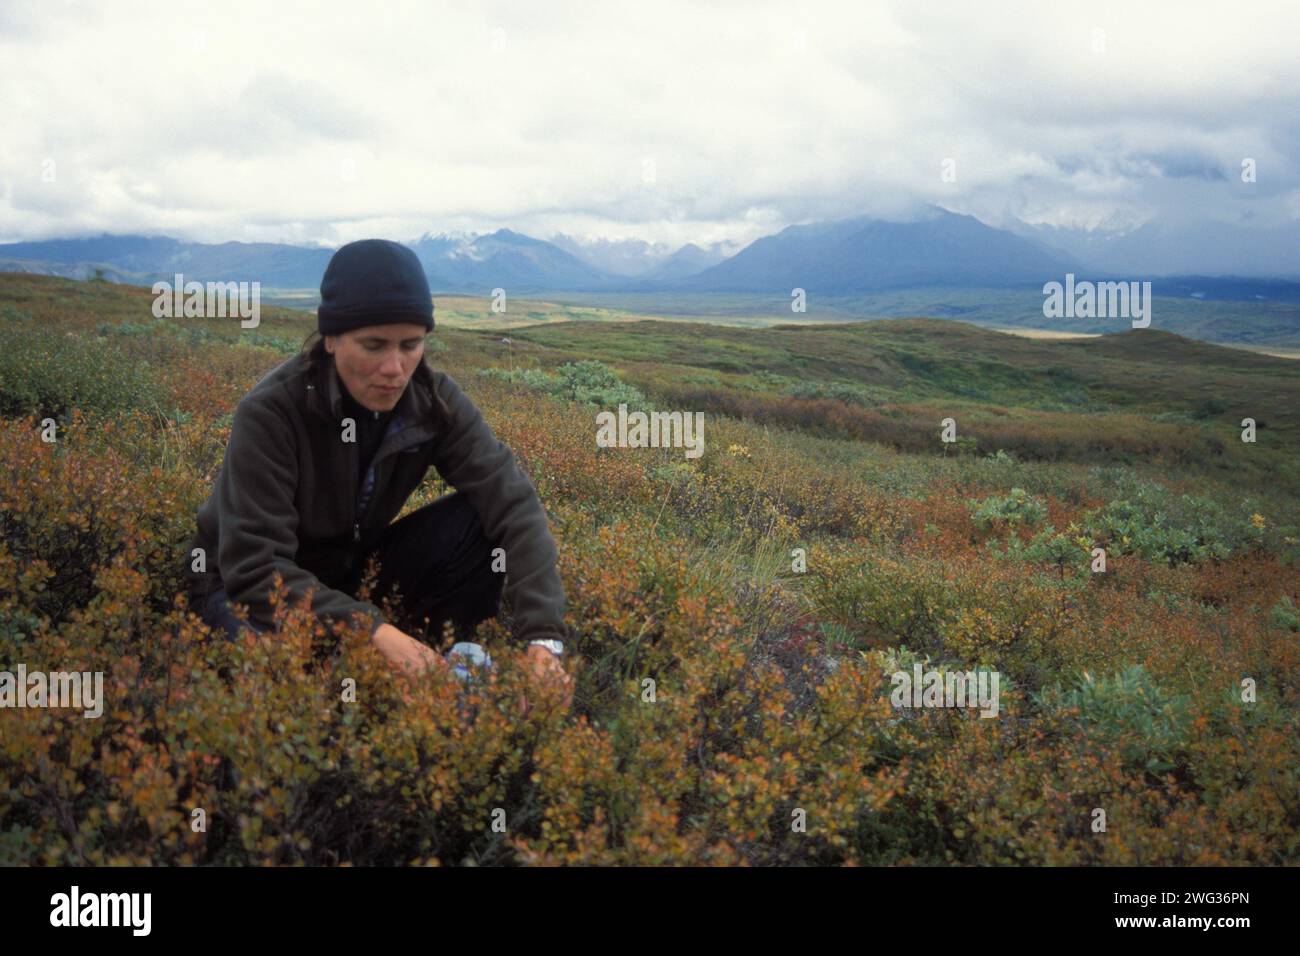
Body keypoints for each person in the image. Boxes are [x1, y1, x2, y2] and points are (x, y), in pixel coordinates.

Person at [184, 238, 573, 713]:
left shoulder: (434, 400)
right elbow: (254, 569)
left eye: (411, 345)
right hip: (239, 587)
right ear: (331, 340)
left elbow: (513, 502)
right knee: (284, 686)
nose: (395, 369)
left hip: (348, 572)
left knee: (480, 518)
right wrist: (373, 631)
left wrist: (543, 639)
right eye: (373, 346)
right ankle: (393, 664)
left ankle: (445, 660)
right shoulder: (271, 413)